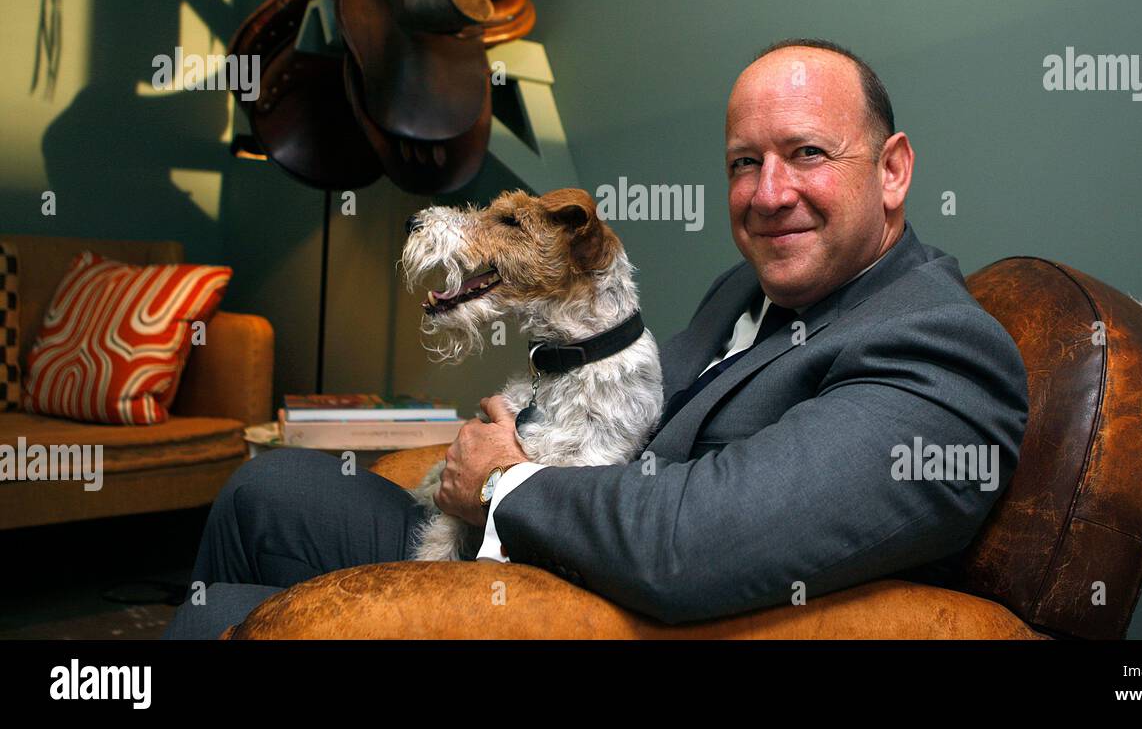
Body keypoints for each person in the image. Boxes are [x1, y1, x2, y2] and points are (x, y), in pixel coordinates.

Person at [162, 38, 1028, 637]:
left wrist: (502, 480)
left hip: (591, 605)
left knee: (213, 622)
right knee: (266, 487)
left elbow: (695, 544)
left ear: (892, 170)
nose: (768, 194)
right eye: (742, 162)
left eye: (806, 154)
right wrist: (513, 428)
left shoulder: (937, 348)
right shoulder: (750, 289)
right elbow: (637, 405)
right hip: (536, 539)